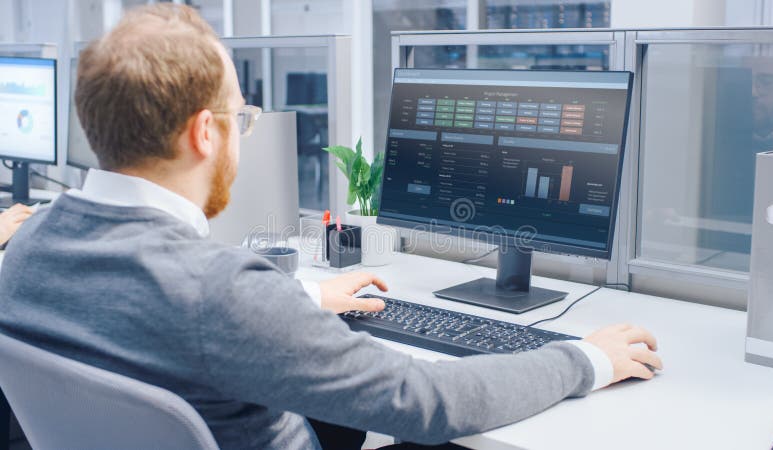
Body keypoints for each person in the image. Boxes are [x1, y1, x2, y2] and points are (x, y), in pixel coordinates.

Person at [0, 4, 662, 449]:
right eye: (241, 117)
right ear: (205, 132)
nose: (242, 134)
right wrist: (584, 358)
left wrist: (300, 299)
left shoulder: (26, 248)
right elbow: (425, 401)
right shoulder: (221, 293)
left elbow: (155, 308)